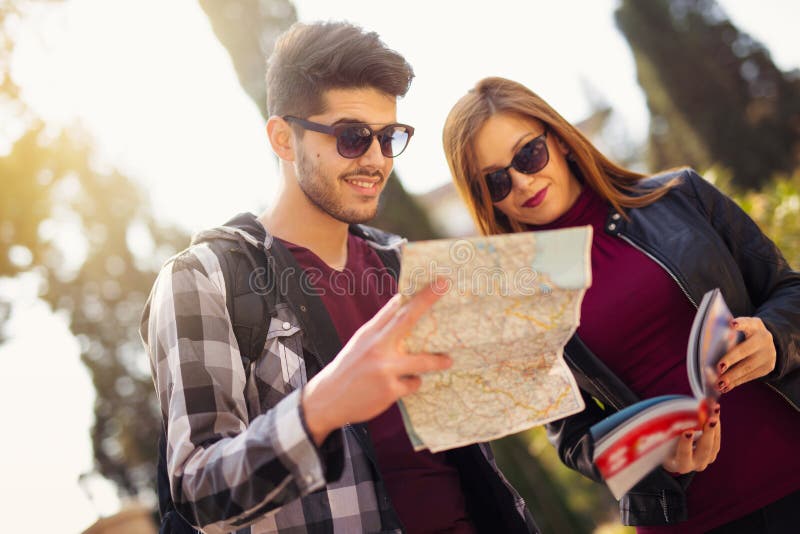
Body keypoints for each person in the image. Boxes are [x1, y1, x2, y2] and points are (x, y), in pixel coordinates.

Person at [141, 25, 536, 534]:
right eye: (352, 137)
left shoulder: (406, 264)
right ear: (284, 138)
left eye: (389, 137)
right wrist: (320, 408)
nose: (375, 159)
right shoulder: (203, 279)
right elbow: (199, 493)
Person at [442, 76, 800, 533]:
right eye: (495, 181)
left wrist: (775, 337)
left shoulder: (682, 195)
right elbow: (573, 439)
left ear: (561, 140)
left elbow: (788, 288)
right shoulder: (521, 299)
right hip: (689, 519)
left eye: (529, 154)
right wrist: (649, 452)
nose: (523, 181)